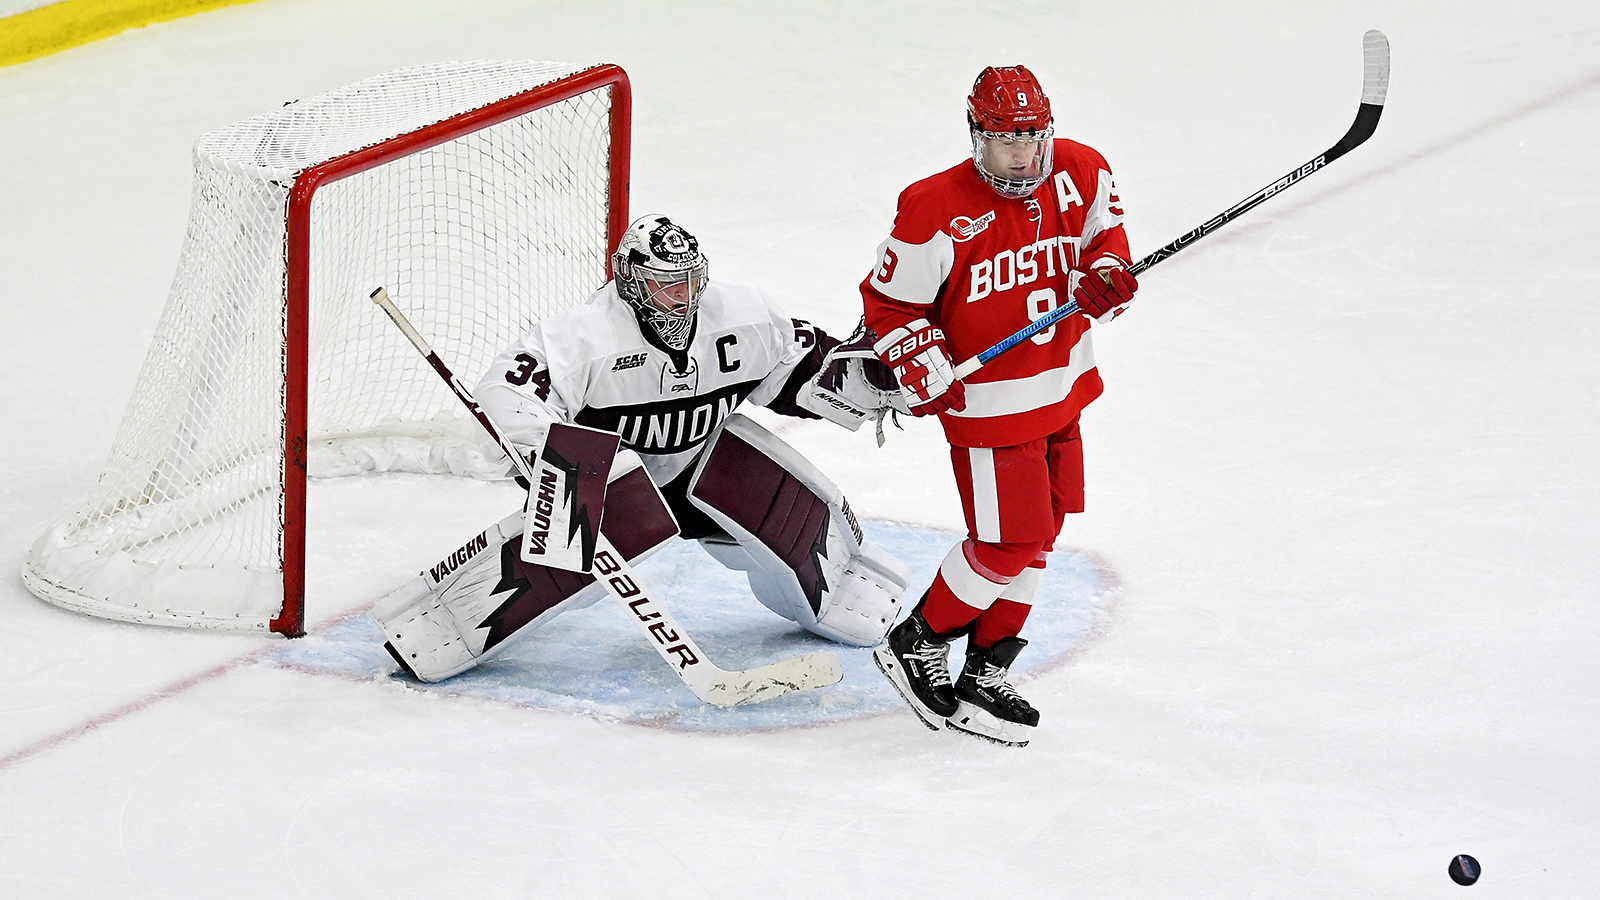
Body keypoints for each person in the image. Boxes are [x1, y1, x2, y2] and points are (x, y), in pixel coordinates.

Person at [370, 213, 908, 684]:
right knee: (596, 507)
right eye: (665, 286)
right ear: (630, 281)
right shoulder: (584, 340)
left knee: (753, 472)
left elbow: (804, 368)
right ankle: (440, 622)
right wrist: (554, 460)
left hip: (701, 465)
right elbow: (506, 392)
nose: (683, 298)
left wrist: (863, 378)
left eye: (690, 282)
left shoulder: (742, 316)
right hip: (614, 483)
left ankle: (837, 583)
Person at [863, 65, 1139, 746]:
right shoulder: (933, 207)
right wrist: (918, 352)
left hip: (1062, 384)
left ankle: (988, 662)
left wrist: (1107, 278)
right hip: (991, 406)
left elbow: (1108, 245)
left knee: (1039, 536)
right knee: (1006, 540)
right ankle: (919, 640)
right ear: (976, 135)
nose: (1022, 153)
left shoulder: (1083, 170)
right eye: (1005, 140)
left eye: (1032, 136)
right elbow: (889, 303)